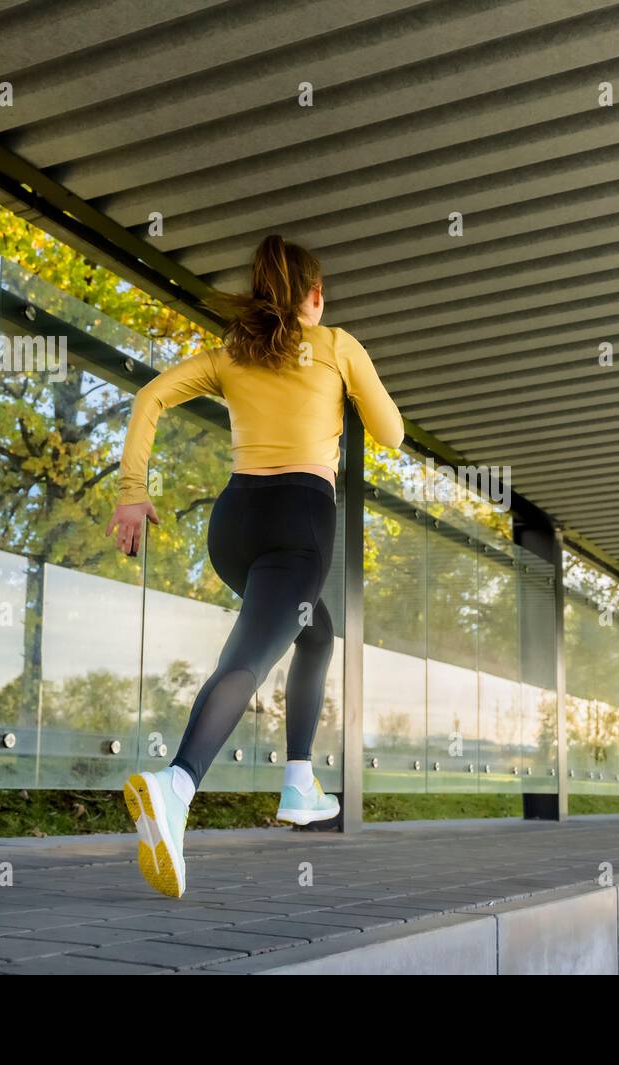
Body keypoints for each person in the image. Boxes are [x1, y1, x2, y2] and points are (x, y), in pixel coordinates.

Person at [106, 235, 403, 898]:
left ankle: (298, 781)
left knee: (314, 631)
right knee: (249, 658)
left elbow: (149, 397)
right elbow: (393, 432)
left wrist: (133, 493)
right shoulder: (337, 346)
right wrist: (347, 387)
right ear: (315, 297)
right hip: (298, 521)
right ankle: (176, 782)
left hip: (235, 524)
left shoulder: (231, 354)